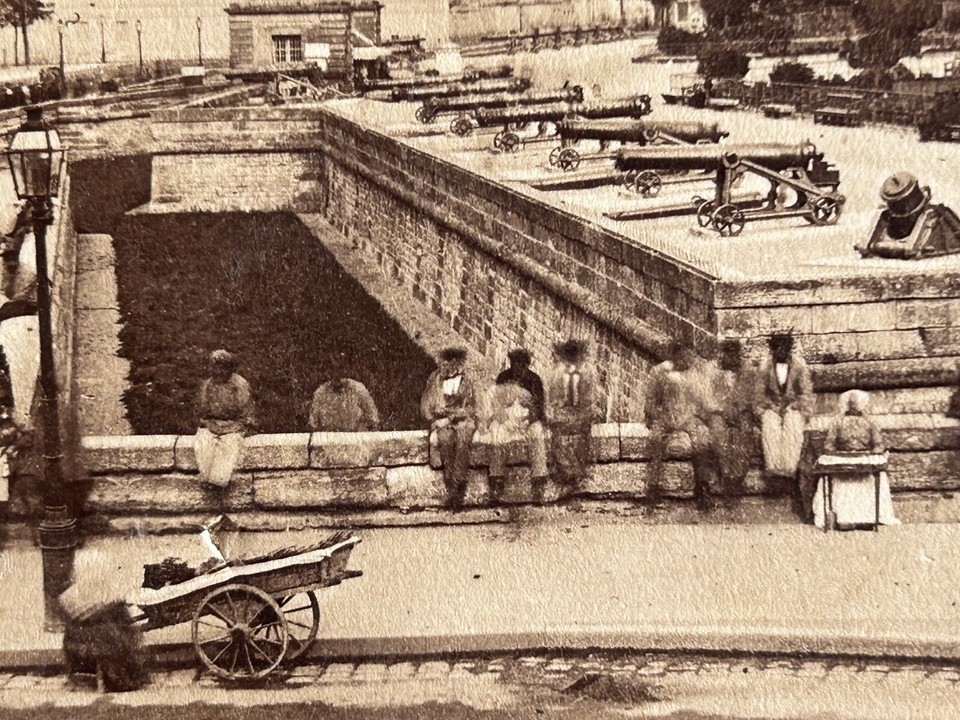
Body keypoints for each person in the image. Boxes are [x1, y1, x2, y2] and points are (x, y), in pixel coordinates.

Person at [812, 390, 899, 529]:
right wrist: (841, 453)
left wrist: (868, 453)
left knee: (875, 476)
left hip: (864, 457)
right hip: (844, 459)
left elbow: (879, 445)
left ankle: (869, 517)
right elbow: (829, 445)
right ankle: (842, 517)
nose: (853, 407)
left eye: (856, 404)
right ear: (847, 404)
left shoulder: (870, 422)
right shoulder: (838, 421)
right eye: (851, 403)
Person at [646, 343, 713, 509]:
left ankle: (702, 487)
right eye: (683, 357)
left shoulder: (695, 374)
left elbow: (702, 400)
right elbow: (651, 399)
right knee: (654, 441)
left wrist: (703, 417)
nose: (687, 361)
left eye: (689, 357)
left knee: (702, 443)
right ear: (675, 357)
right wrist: (653, 416)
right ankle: (652, 487)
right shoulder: (659, 372)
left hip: (688, 417)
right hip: (666, 417)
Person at [420, 347, 477, 510]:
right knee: (445, 440)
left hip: (462, 421)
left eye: (449, 364)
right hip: (441, 422)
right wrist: (436, 418)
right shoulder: (435, 379)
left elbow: (471, 409)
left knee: (463, 440)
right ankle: (453, 488)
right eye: (442, 364)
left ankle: (457, 486)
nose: (444, 367)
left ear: (457, 364)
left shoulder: (466, 381)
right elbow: (426, 406)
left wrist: (451, 417)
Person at [705, 340, 759, 498]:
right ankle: (726, 477)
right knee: (719, 434)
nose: (731, 359)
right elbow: (707, 398)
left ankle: (737, 478)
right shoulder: (711, 370)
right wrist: (722, 409)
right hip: (718, 413)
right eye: (727, 354)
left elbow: (752, 396)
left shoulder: (747, 371)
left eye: (734, 355)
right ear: (722, 355)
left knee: (745, 434)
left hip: (741, 412)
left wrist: (740, 409)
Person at [755, 333, 813, 481]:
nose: (781, 353)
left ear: (789, 350)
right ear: (772, 350)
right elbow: (759, 394)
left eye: (784, 349)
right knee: (769, 422)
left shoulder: (799, 365)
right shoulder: (765, 367)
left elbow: (806, 392)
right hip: (772, 407)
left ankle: (789, 467)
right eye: (777, 350)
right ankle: (773, 467)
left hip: (792, 407)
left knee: (793, 422)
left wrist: (795, 405)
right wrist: (770, 406)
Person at [195, 350, 256, 488]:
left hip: (235, 426)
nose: (218, 371)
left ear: (228, 368)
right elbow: (203, 413)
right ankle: (205, 478)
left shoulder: (239, 385)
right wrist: (211, 425)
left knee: (230, 443)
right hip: (213, 425)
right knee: (203, 440)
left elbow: (247, 416)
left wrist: (230, 428)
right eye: (215, 367)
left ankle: (219, 480)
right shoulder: (208, 385)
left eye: (221, 367)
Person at [495, 348, 549, 499]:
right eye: (514, 364)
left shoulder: (534, 380)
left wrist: (527, 421)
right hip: (508, 420)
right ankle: (496, 480)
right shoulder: (503, 378)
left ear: (526, 365)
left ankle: (538, 482)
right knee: (496, 433)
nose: (518, 368)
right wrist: (505, 420)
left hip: (527, 420)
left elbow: (538, 407)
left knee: (537, 433)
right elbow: (496, 404)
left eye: (521, 365)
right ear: (511, 364)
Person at [543, 339, 595, 494]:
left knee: (561, 443)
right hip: (577, 420)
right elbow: (589, 401)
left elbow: (551, 400)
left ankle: (565, 477)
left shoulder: (555, 373)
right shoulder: (587, 372)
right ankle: (575, 476)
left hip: (564, 419)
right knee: (578, 442)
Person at [308, 378, 379, 432]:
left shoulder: (358, 390)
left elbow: (372, 420)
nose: (337, 376)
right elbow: (314, 424)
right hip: (329, 444)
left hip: (356, 443)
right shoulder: (320, 393)